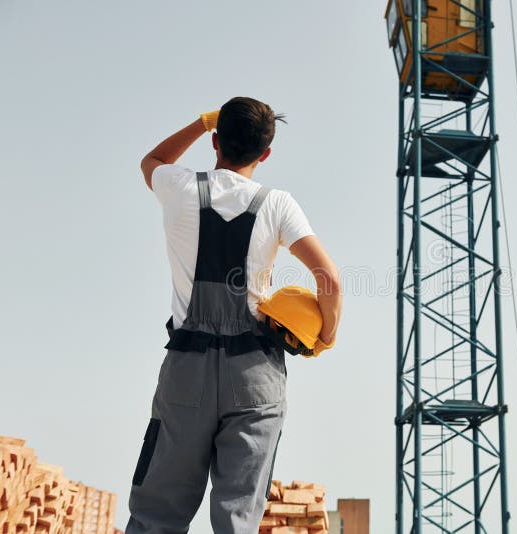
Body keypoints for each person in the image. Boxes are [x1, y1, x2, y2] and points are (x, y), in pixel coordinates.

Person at [125, 97, 342, 533]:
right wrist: (325, 337)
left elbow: (152, 161)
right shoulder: (278, 205)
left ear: (215, 141)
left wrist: (199, 123)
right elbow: (329, 280)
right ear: (266, 153)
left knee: (156, 516)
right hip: (254, 377)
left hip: (187, 369)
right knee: (237, 519)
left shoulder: (180, 187)